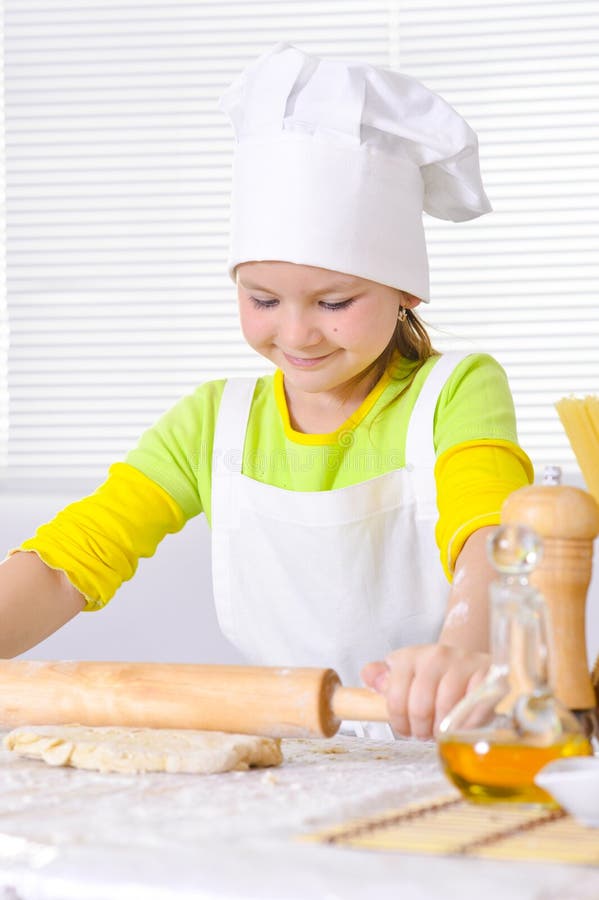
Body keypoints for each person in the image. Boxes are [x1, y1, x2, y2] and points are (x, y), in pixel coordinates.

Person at [0, 43, 533, 739]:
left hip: (454, 741)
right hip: (293, 750)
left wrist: (460, 651)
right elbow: (73, 561)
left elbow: (489, 534)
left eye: (333, 301)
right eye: (262, 298)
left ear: (403, 289)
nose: (297, 333)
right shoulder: (214, 422)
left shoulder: (456, 390)